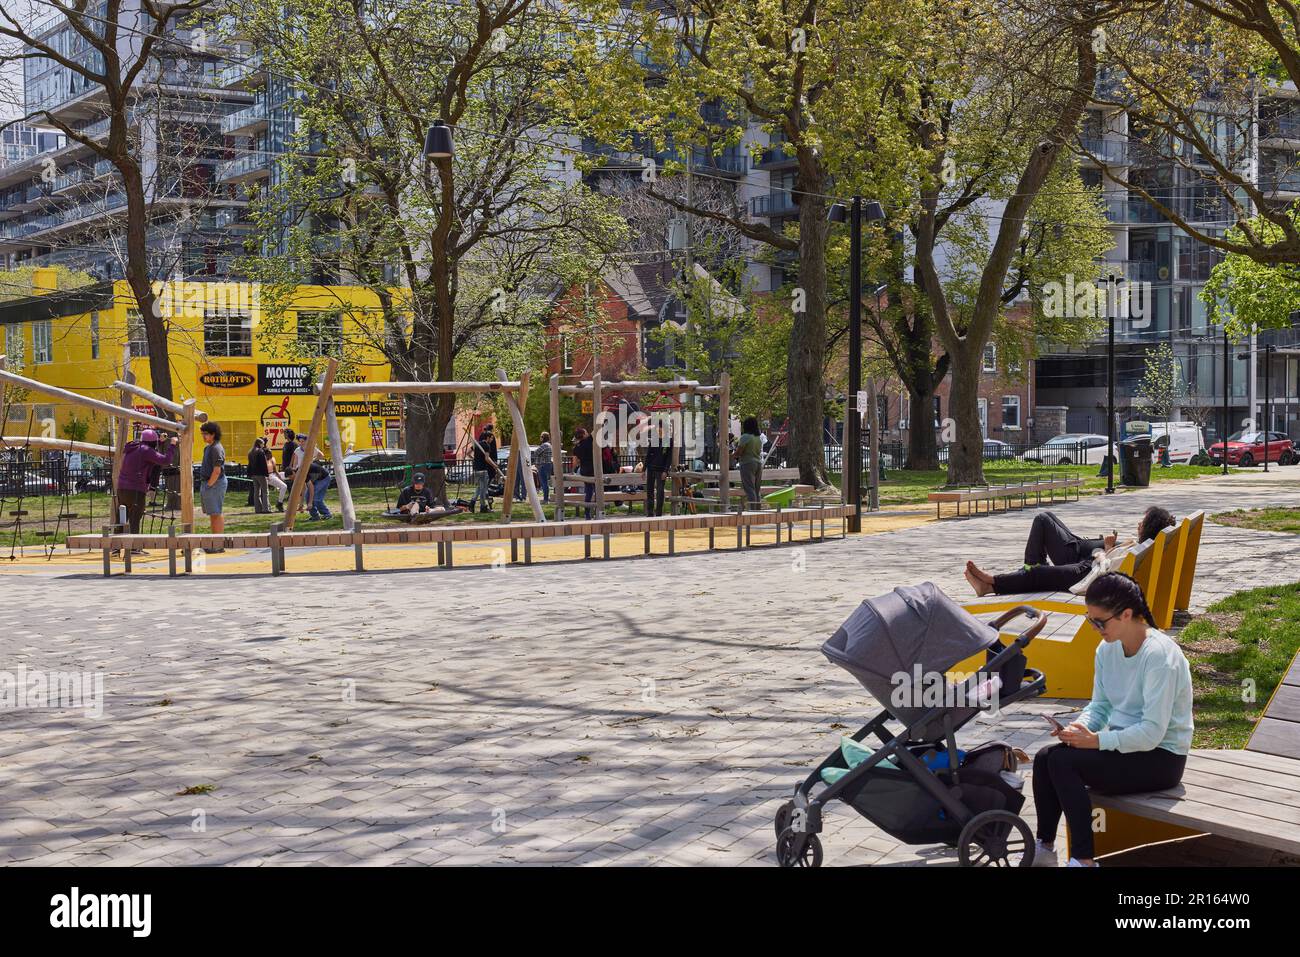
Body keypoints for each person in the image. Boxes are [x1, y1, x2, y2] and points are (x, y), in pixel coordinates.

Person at [1030, 572, 1192, 867]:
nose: (1094, 628)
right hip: (1126, 749)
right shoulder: (1106, 649)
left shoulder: (1160, 657)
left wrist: (1097, 741)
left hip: (1162, 758)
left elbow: (1153, 733)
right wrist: (1082, 726)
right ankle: (1044, 849)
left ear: (1127, 614)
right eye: (1090, 620)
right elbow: (1100, 705)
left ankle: (1083, 860)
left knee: (1063, 762)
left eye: (1099, 622)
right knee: (1044, 757)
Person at [965, 506, 1176, 597]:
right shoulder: (1144, 547)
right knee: (1045, 518)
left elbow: (1108, 568)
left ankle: (992, 583)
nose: (1139, 523)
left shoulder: (1139, 550)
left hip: (1088, 573)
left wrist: (1105, 549)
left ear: (1150, 527)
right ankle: (1006, 581)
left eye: (1144, 521)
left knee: (1038, 573)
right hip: (1088, 565)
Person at [117, 429, 178, 552]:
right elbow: (166, 460)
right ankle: (135, 548)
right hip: (135, 489)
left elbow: (149, 454)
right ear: (152, 442)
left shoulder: (133, 447)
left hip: (122, 488)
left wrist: (159, 442)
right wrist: (172, 445)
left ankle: (115, 548)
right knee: (135, 517)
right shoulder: (146, 451)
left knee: (121, 517)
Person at [199, 421, 227, 549]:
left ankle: (218, 544)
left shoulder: (216, 448)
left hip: (214, 483)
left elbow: (217, 470)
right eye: (202, 434)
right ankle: (215, 542)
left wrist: (209, 484)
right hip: (208, 482)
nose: (204, 436)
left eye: (206, 434)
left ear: (213, 434)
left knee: (216, 513)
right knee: (212, 513)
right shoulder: (208, 447)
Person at [640, 420, 674, 517]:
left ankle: (658, 513)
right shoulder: (654, 440)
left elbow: (669, 457)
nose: (657, 429)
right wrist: (644, 470)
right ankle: (650, 513)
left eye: (659, 427)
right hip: (651, 468)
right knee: (649, 491)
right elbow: (648, 456)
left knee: (660, 492)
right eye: (657, 427)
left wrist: (665, 471)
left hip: (661, 470)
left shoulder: (669, 441)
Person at [736, 416, 764, 508]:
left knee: (749, 488)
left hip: (747, 463)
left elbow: (739, 452)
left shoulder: (745, 437)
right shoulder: (759, 438)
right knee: (756, 488)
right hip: (758, 463)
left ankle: (753, 511)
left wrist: (730, 456)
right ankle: (758, 510)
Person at [470, 424, 498, 513]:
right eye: (491, 438)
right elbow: (487, 458)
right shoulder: (486, 446)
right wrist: (494, 465)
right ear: (488, 438)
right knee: (483, 489)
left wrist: (474, 459)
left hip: (476, 469)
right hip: (483, 469)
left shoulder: (477, 444)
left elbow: (467, 453)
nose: (492, 440)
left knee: (480, 488)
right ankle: (483, 507)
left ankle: (472, 503)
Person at [304, 448, 332, 521]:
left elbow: (311, 488)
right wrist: (301, 504)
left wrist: (310, 503)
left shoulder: (304, 473)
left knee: (316, 498)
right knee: (307, 497)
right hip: (316, 479)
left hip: (324, 478)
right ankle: (315, 516)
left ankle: (327, 514)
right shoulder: (299, 474)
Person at [573, 426, 595, 518]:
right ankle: (597, 510)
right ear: (584, 434)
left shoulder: (576, 448)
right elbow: (596, 430)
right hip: (593, 469)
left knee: (588, 491)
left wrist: (573, 471)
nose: (588, 433)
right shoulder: (589, 441)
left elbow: (575, 462)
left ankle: (587, 513)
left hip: (584, 470)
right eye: (586, 432)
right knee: (597, 490)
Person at [248, 437, 273, 514]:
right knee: (265, 492)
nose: (263, 445)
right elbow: (264, 464)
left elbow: (249, 465)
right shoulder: (260, 452)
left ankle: (258, 509)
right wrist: (267, 474)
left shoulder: (250, 452)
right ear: (259, 443)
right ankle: (266, 509)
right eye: (262, 443)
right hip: (261, 474)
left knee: (256, 492)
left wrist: (250, 474)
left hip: (253, 474)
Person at [535, 431, 553, 504]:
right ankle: (546, 498)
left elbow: (536, 452)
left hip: (543, 465)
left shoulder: (544, 445)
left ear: (543, 438)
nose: (540, 438)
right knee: (545, 482)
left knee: (544, 483)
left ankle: (545, 500)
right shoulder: (549, 444)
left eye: (541, 436)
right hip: (547, 465)